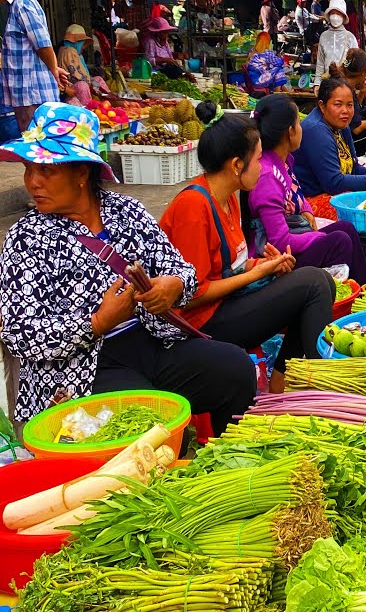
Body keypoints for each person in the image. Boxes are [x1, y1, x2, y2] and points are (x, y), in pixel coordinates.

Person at [0, 103, 256, 432]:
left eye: (46, 170)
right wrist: (96, 322)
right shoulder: (26, 237)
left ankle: (225, 458)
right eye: (28, 168)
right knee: (147, 420)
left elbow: (182, 271)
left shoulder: (125, 210)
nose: (32, 181)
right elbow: (19, 333)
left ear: (81, 173)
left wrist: (173, 286)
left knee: (234, 369)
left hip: (150, 340)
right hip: (80, 369)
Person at [160, 103, 335, 394]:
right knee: (314, 282)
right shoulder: (194, 206)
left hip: (227, 304)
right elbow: (192, 296)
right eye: (257, 160)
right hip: (202, 322)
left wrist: (260, 264)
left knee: (320, 282)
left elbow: (230, 264)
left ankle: (283, 385)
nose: (261, 166)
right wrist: (256, 274)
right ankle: (320, 386)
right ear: (236, 166)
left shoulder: (228, 197)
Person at [246, 94, 366, 287]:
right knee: (339, 241)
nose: (301, 129)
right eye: (298, 123)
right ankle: (343, 299)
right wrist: (318, 236)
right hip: (278, 261)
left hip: (295, 234)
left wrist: (305, 207)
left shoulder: (283, 160)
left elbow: (295, 191)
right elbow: (281, 243)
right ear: (290, 132)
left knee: (346, 227)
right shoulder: (267, 177)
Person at [294, 77, 366, 219]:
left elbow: (353, 167)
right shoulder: (317, 130)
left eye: (350, 105)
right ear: (322, 106)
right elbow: (333, 183)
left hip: (334, 192)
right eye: (338, 104)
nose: (345, 111)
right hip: (311, 200)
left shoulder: (341, 125)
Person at [0, 0, 68, 130]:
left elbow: (43, 44)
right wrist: (53, 67)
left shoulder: (23, 3)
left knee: (37, 144)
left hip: (31, 94)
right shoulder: (16, 5)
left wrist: (53, 69)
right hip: (25, 93)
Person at [327, 49, 366, 153]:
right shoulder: (345, 88)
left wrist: (362, 93)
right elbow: (356, 129)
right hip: (342, 139)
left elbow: (354, 110)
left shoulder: (345, 84)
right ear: (363, 72)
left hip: (342, 133)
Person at [315, 0, 358, 77]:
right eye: (333, 13)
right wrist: (317, 83)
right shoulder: (324, 36)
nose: (335, 16)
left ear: (343, 17)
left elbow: (356, 62)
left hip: (345, 82)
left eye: (338, 13)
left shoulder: (350, 37)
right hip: (327, 81)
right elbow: (320, 62)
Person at [57, 25, 94, 106]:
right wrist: (95, 86)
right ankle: (88, 109)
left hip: (75, 85)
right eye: (82, 44)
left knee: (97, 79)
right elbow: (78, 76)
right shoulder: (69, 51)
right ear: (76, 42)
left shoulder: (76, 54)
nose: (83, 47)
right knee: (83, 86)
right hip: (70, 89)